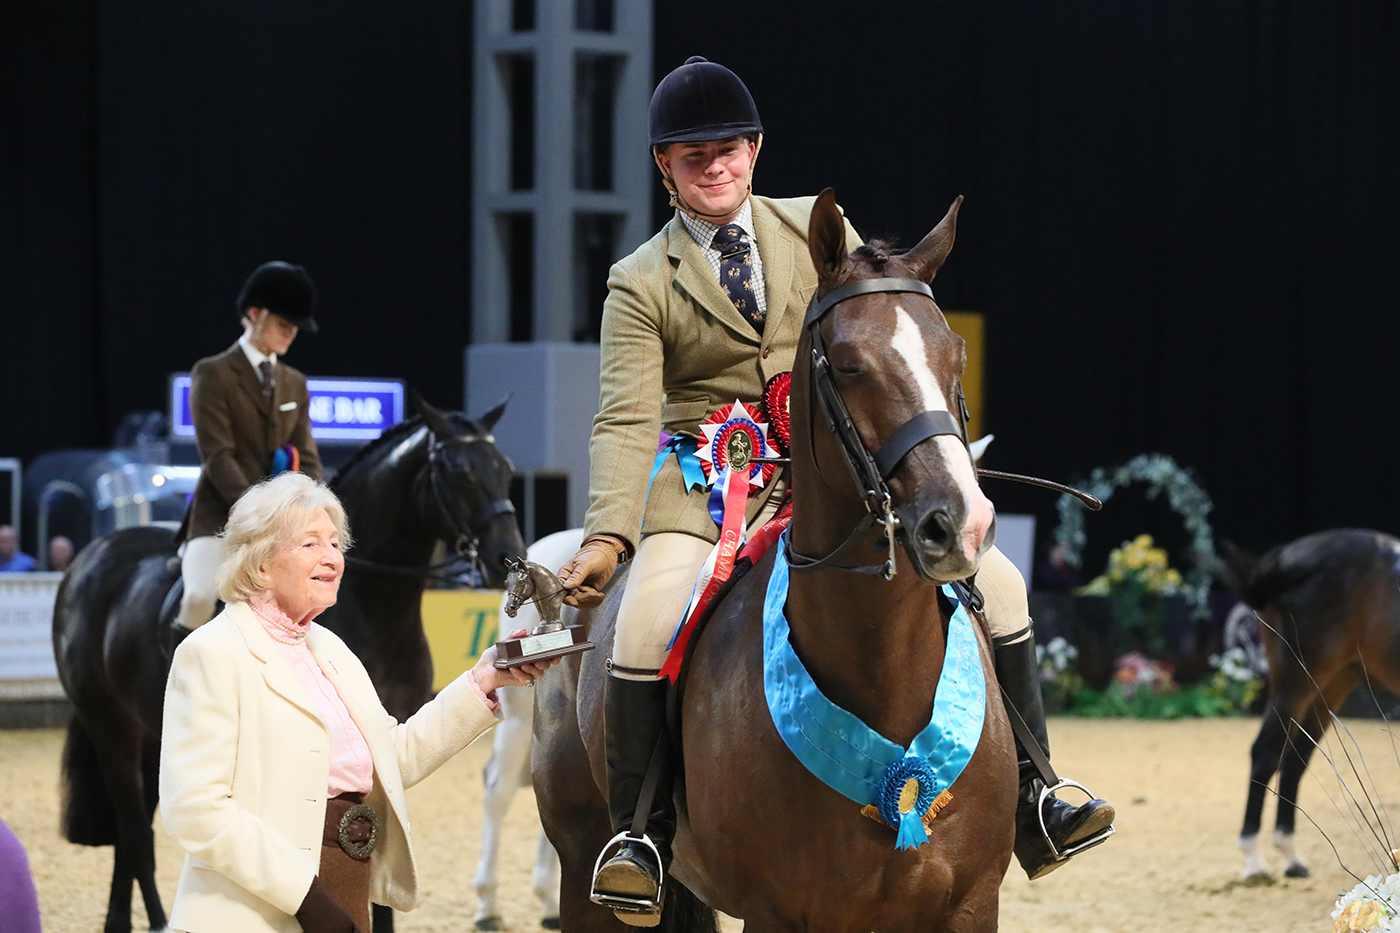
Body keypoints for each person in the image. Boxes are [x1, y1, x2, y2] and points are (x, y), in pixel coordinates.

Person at [556, 56, 1114, 922]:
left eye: (730, 147)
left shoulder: (815, 229)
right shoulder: (640, 280)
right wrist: (607, 537)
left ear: (755, 149)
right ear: (664, 165)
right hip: (707, 490)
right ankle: (644, 834)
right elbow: (626, 420)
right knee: (645, 618)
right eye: (693, 152)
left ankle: (1039, 795)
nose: (716, 164)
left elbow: (871, 332)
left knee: (997, 584)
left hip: (841, 479)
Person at [159, 472, 555, 933]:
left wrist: (485, 678)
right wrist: (305, 897)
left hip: (346, 882)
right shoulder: (211, 652)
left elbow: (393, 756)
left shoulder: (331, 649)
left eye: (334, 544)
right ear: (262, 564)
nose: (332, 558)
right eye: (311, 544)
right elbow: (195, 808)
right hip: (257, 909)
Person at [169, 261, 324, 651]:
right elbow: (218, 457)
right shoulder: (213, 374)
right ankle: (175, 687)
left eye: (294, 325)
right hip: (218, 517)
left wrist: (319, 510)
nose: (291, 332)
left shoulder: (294, 383)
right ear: (254, 315)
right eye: (282, 322)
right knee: (199, 597)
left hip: (282, 526)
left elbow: (306, 455)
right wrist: (261, 514)